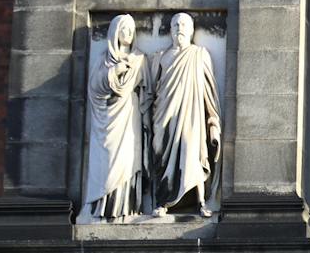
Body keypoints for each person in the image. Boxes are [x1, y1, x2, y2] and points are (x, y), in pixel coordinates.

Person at [148, 12, 222, 216]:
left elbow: (209, 92)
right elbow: (152, 90)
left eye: (183, 25)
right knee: (160, 154)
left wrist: (213, 123)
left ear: (191, 31)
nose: (179, 28)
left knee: (192, 152)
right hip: (164, 117)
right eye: (175, 25)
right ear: (170, 31)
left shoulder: (199, 54)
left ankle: (200, 203)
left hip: (192, 116)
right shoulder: (161, 57)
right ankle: (162, 202)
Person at [84, 13, 149, 221]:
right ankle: (101, 207)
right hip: (107, 119)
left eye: (131, 30)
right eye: (124, 29)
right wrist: (114, 72)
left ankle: (126, 208)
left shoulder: (140, 59)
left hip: (130, 117)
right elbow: (94, 88)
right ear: (114, 33)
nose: (128, 33)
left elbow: (148, 91)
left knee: (128, 161)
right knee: (106, 163)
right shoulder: (104, 59)